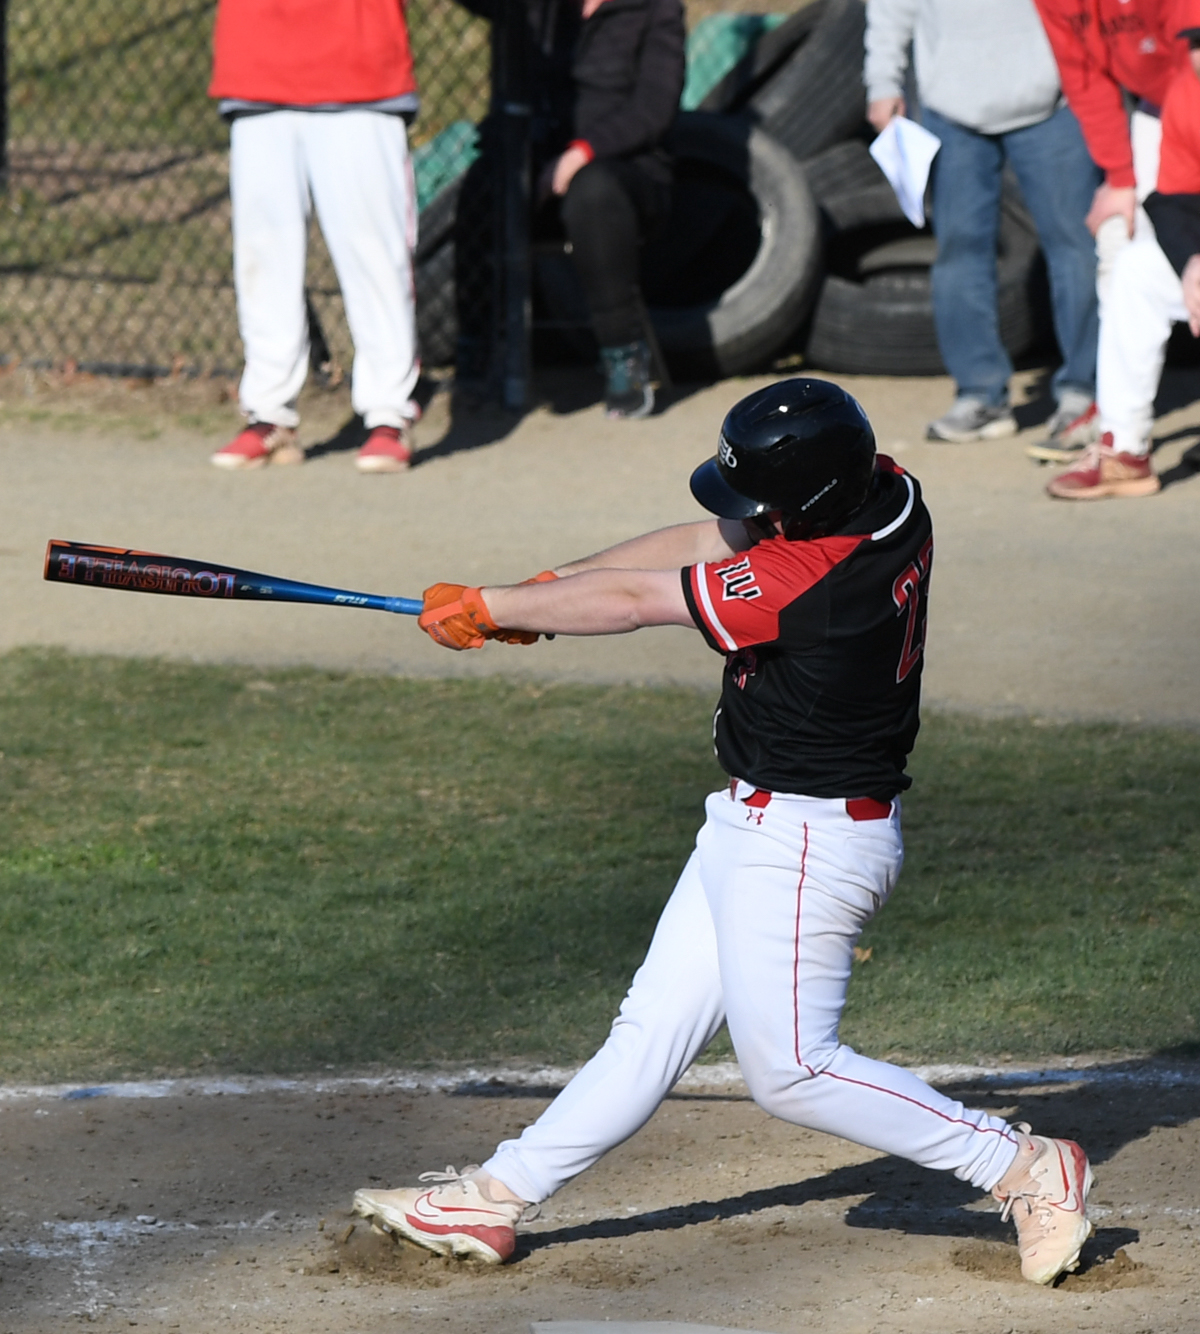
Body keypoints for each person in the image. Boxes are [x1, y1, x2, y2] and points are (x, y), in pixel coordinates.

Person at [349, 378, 1096, 1287]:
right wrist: (544, 590)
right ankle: (495, 1196)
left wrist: (497, 610)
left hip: (810, 845)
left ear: (810, 500)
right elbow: (703, 541)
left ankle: (1023, 1167)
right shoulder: (888, 496)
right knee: (651, 1030)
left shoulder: (808, 584)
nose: (750, 516)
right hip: (751, 825)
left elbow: (635, 602)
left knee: (789, 1070)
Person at [865, 0, 1101, 449]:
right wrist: (882, 80)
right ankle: (980, 396)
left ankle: (1084, 395)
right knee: (959, 252)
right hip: (948, 106)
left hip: (1055, 98)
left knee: (1077, 246)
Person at [206, 0, 423, 474]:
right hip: (257, 68)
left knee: (375, 255)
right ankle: (269, 414)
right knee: (264, 258)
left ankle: (389, 414)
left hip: (361, 71)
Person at [1028, 0, 1187, 468]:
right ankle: (1121, 432)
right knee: (1118, 244)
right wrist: (1120, 176)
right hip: (1156, 109)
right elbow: (1084, 77)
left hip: (1192, 99)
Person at [541, 0, 686, 418]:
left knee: (594, 193)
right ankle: (477, 356)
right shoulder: (543, 12)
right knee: (486, 184)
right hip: (546, 164)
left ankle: (623, 355)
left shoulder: (657, 9)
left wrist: (582, 153)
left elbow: (654, 108)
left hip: (629, 173)